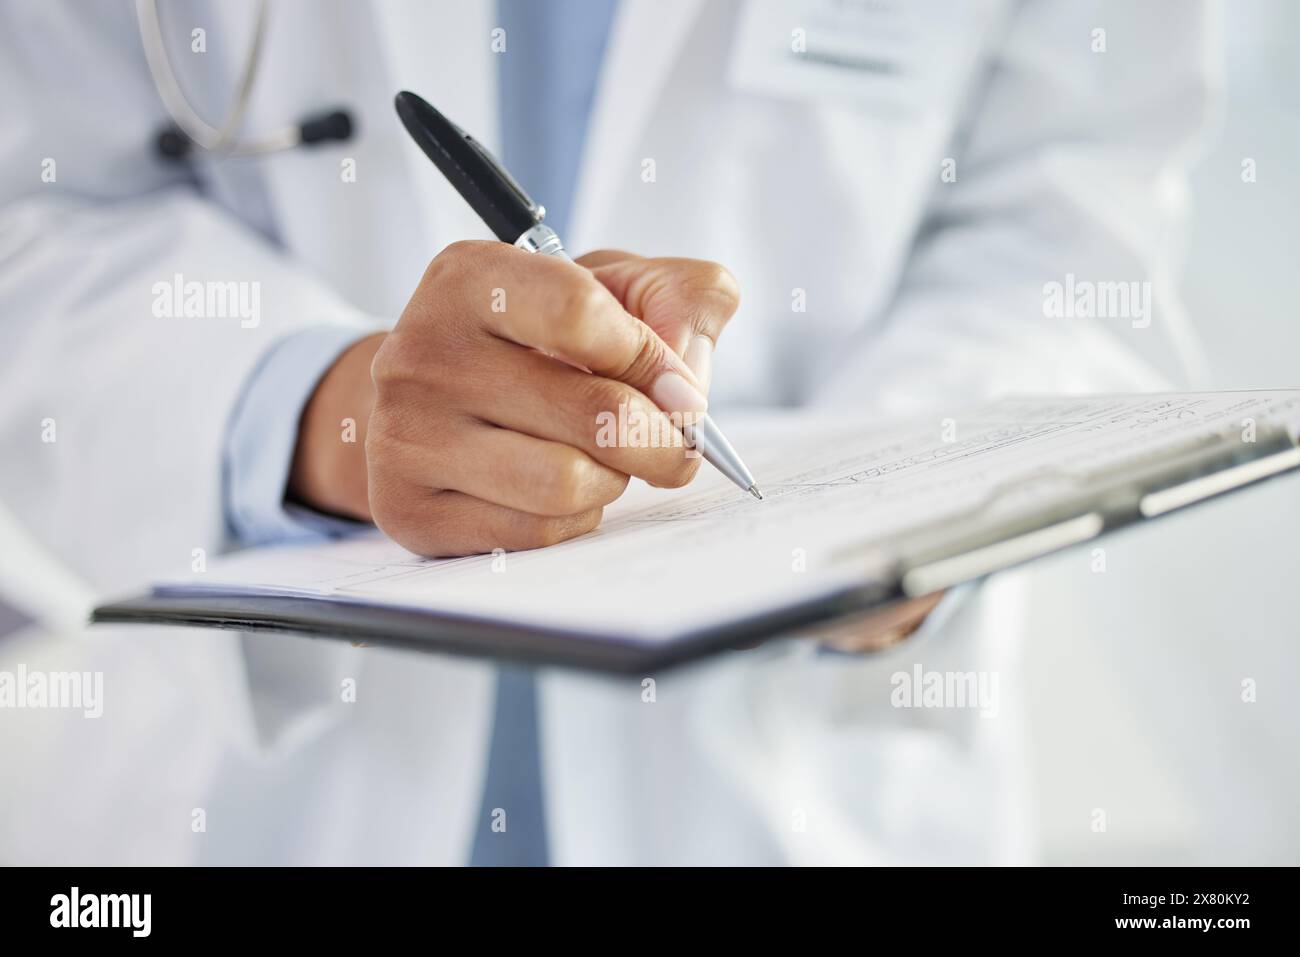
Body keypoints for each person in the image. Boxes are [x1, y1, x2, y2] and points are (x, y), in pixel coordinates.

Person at [0, 0, 1212, 864]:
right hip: (263, 804)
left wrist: (912, 507)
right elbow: (33, 213)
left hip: (794, 792)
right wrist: (337, 412)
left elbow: (1067, 222)